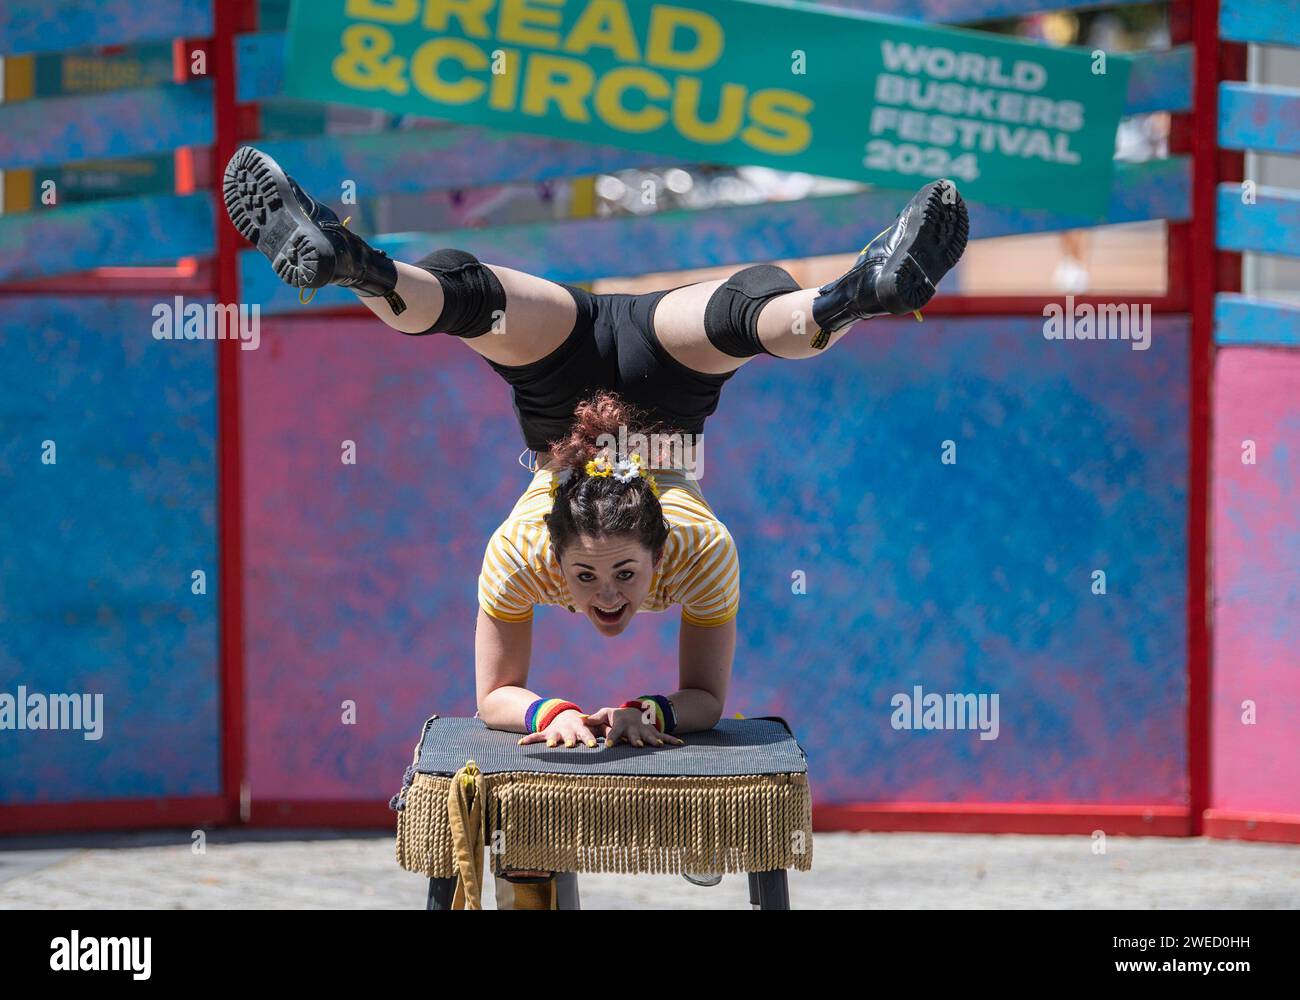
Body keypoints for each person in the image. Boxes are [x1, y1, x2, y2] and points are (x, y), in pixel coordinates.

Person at [223, 146, 968, 753]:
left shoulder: (520, 553)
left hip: (564, 395)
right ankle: (850, 295)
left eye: (611, 574)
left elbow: (493, 699)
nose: (607, 594)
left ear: (652, 553)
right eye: (593, 574)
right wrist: (648, 712)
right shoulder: (701, 551)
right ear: (660, 547)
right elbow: (706, 699)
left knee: (472, 298)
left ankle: (360, 263)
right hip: (663, 385)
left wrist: (555, 715)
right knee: (749, 310)